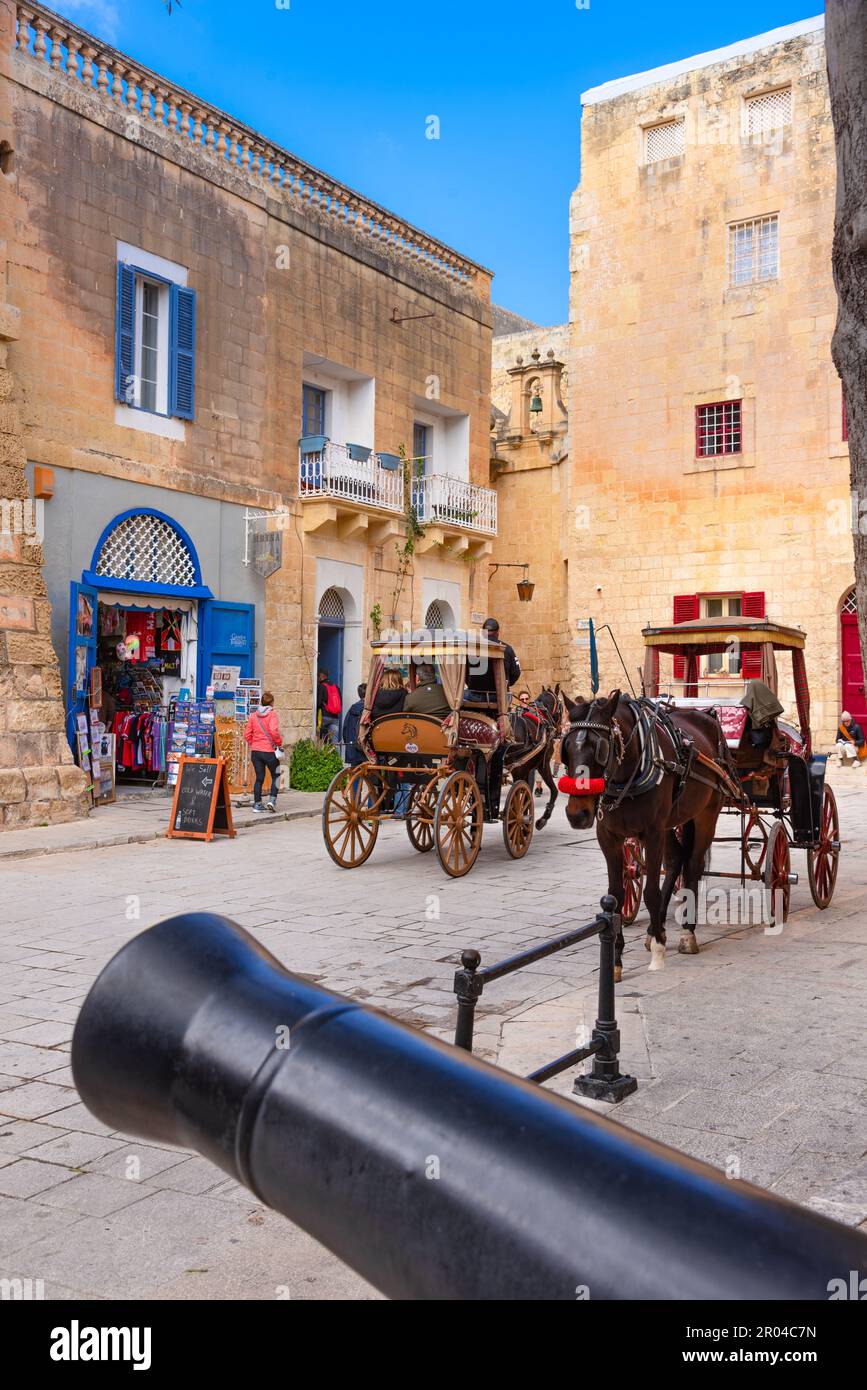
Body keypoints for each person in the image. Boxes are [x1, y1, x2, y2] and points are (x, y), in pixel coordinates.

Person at [465, 616, 521, 705]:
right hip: (498, 697)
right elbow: (516, 673)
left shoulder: (472, 648)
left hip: (474, 696)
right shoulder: (507, 649)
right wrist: (505, 683)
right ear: (498, 632)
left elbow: (465, 674)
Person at [243, 691, 283, 813]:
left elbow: (247, 734)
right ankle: (272, 800)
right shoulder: (272, 714)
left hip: (256, 751)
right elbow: (273, 731)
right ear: (271, 702)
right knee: (276, 775)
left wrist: (253, 743)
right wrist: (279, 742)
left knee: (259, 778)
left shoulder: (253, 715)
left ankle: (257, 804)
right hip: (269, 751)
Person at [342, 683, 367, 767]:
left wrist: (348, 744)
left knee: (354, 775)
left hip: (353, 747)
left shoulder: (352, 709)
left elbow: (345, 728)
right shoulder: (370, 710)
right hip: (366, 749)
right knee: (371, 776)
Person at [317, 669, 342, 745]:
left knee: (322, 741)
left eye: (318, 677)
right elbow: (340, 702)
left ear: (321, 676)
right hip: (335, 717)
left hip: (324, 717)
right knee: (335, 743)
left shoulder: (321, 686)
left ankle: (324, 756)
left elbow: (318, 703)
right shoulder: (336, 686)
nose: (318, 679)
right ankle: (337, 756)